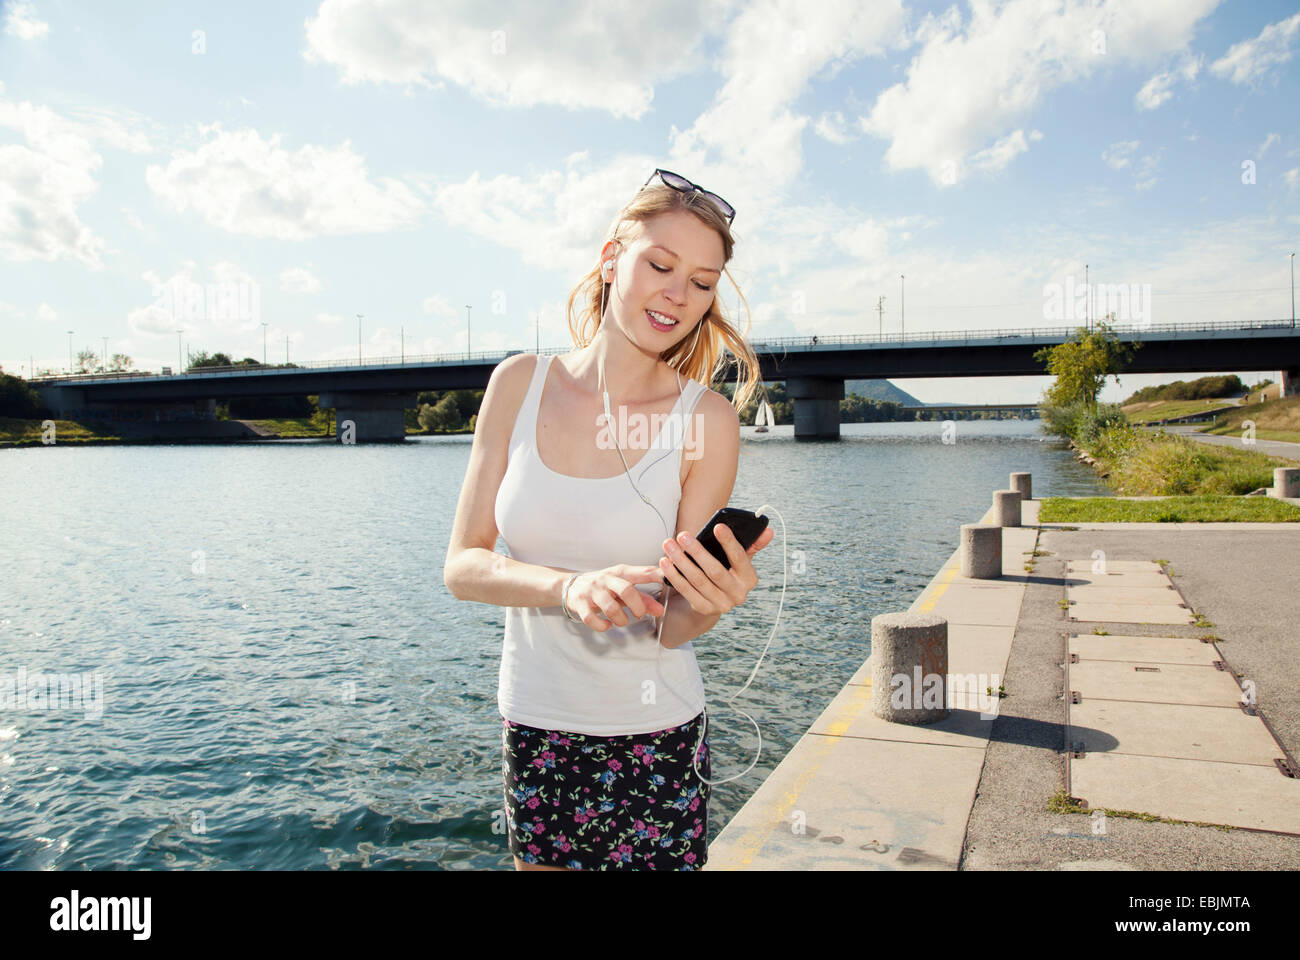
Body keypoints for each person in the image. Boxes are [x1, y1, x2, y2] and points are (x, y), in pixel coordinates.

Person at [443, 169, 775, 870]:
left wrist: (711, 601)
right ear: (608, 258)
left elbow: (676, 621)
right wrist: (566, 587)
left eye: (703, 281)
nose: (678, 295)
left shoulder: (706, 420)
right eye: (660, 265)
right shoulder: (517, 384)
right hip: (534, 722)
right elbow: (464, 566)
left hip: (655, 731)